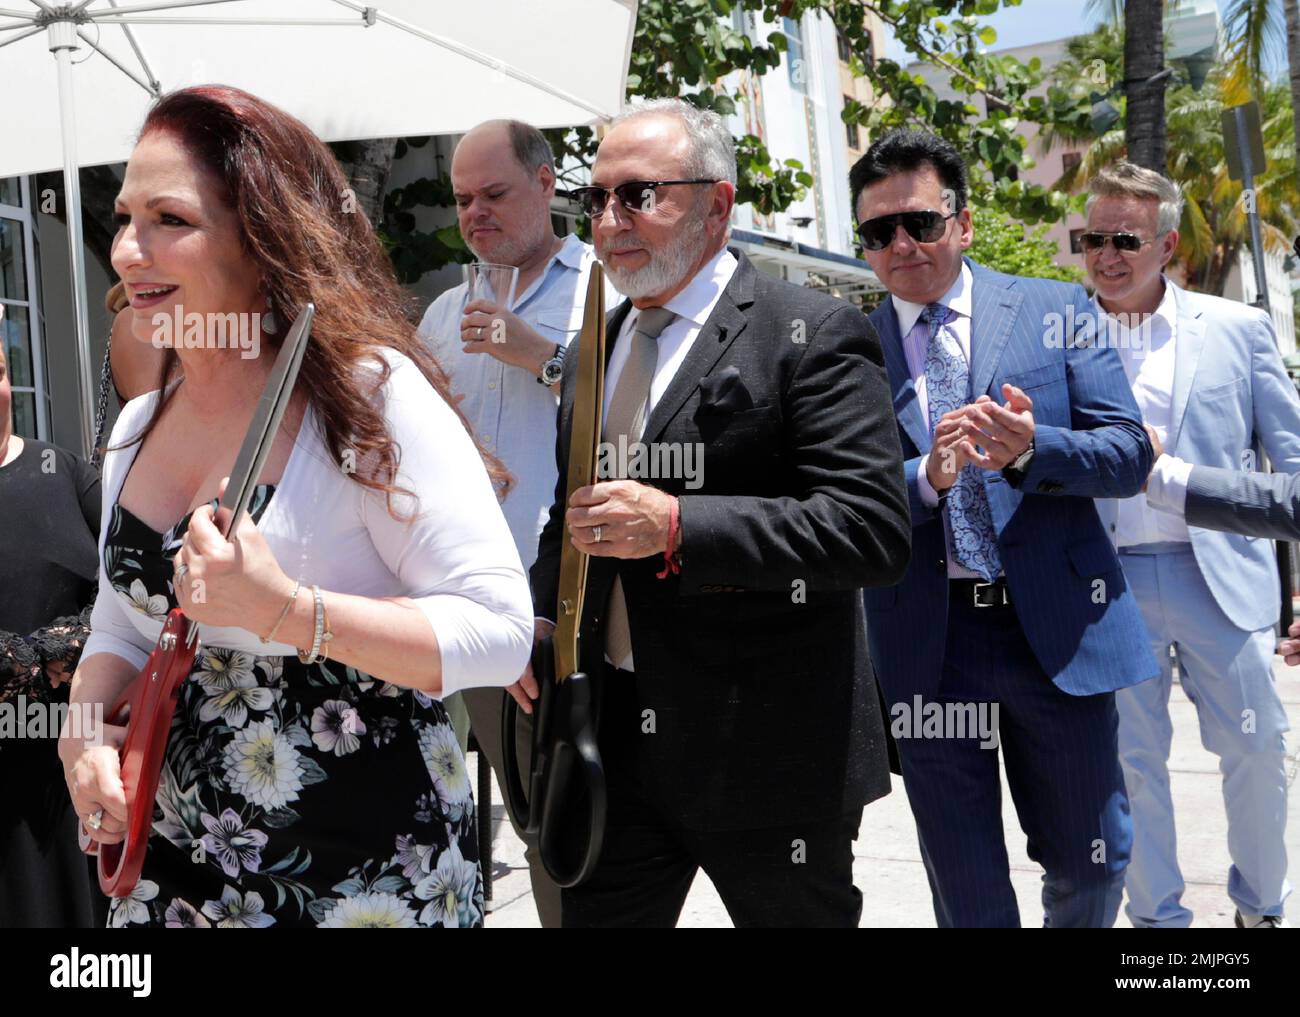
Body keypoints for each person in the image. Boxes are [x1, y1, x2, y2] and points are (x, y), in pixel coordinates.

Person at [57, 85, 533, 929]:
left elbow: (498, 631)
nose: (129, 249)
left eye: (171, 218)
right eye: (127, 217)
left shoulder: (367, 394)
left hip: (364, 871)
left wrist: (285, 611)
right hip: (172, 870)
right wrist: (85, 729)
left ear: (259, 233)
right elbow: (120, 626)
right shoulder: (136, 425)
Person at [524, 98, 911, 928]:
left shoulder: (808, 331)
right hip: (610, 747)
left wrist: (678, 527)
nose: (608, 219)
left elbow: (870, 528)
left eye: (638, 195)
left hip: (769, 751)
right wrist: (535, 621)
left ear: (718, 203)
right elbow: (572, 516)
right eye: (593, 200)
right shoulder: (597, 345)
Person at [854, 129, 1155, 928]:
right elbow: (838, 493)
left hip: (1055, 632)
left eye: (919, 221)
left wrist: (1033, 451)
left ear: (964, 222)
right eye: (878, 232)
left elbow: (1127, 453)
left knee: (1096, 861)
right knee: (970, 893)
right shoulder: (844, 346)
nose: (901, 244)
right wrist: (927, 478)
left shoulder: (1057, 310)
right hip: (930, 643)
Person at [1085, 161, 1294, 929]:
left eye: (1125, 238)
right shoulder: (1057, 334)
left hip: (1224, 577)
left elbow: (1296, 470)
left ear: (1167, 242)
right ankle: (1161, 930)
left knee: (1261, 748)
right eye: (1093, 237)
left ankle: (1260, 909)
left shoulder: (1238, 330)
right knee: (1131, 767)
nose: (1106, 253)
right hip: (1107, 586)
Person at [417, 119, 607, 926]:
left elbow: (644, 422)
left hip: (575, 593)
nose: (474, 213)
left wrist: (547, 358)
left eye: (493, 194)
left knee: (582, 829)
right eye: (462, 199)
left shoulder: (606, 287)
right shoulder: (441, 315)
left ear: (545, 182)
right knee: (528, 821)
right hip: (471, 599)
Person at [0, 341, 105, 927]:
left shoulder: (64, 472)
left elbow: (133, 590)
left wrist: (67, 647)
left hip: (80, 772)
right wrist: (42, 657)